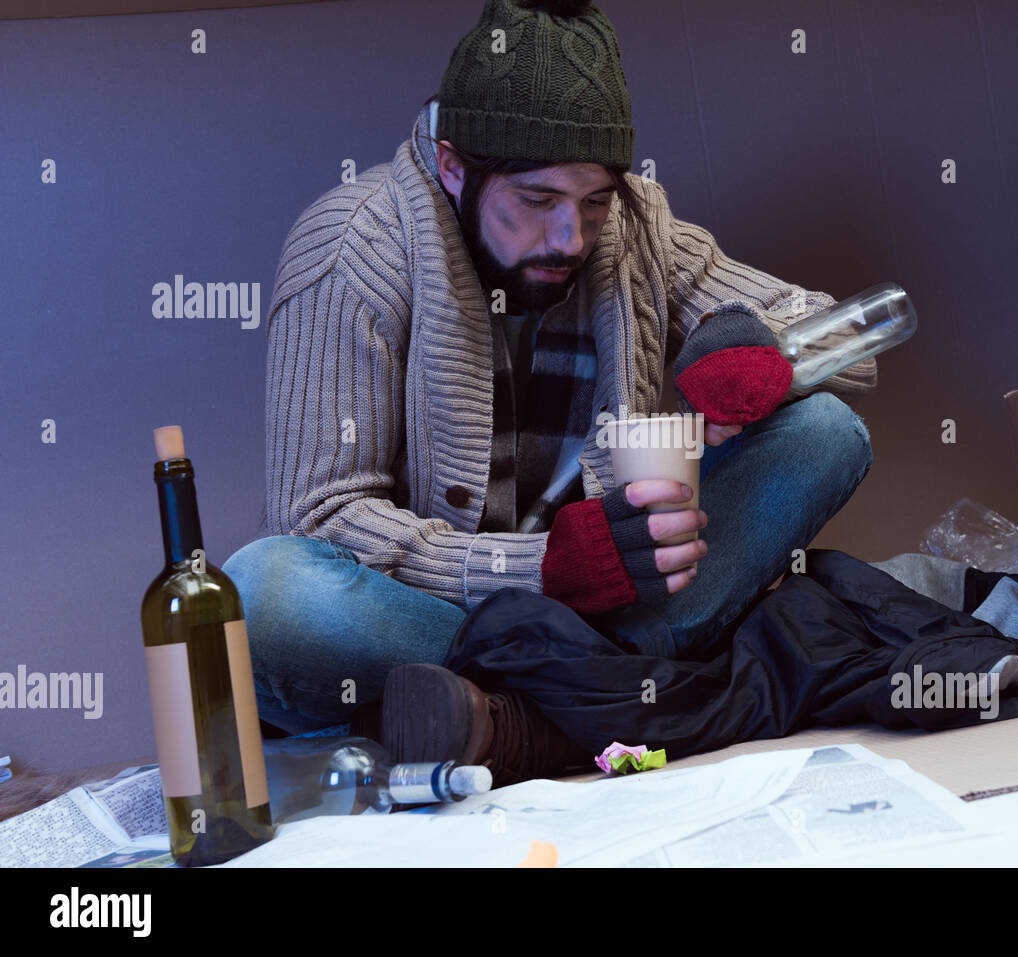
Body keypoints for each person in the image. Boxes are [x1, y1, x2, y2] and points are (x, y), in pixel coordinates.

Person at [225, 0, 876, 786]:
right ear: (454, 164)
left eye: (593, 202)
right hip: (450, 620)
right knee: (265, 591)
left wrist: (758, 344)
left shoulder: (636, 226)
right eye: (537, 202)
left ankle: (519, 724)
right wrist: (539, 569)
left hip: (618, 616)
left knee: (828, 430)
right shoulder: (353, 248)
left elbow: (849, 341)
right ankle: (615, 703)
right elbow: (319, 516)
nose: (571, 237)